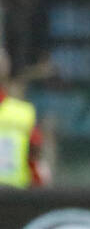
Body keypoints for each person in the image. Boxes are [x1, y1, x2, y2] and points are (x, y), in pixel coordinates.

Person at [0, 49, 49, 188]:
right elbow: (36, 162)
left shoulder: (23, 114)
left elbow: (35, 160)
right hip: (15, 201)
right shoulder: (22, 114)